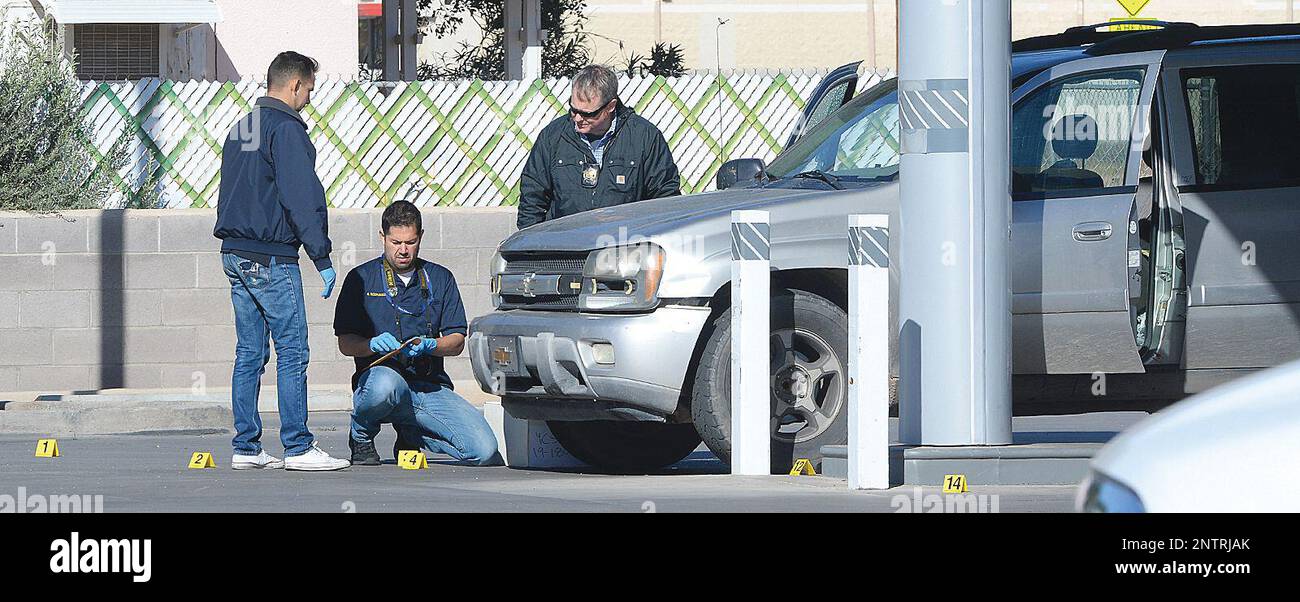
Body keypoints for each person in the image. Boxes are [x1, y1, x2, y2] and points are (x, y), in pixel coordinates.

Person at [213, 51, 349, 471]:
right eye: (309, 88)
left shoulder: (244, 127)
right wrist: (321, 256)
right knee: (293, 350)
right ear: (294, 85)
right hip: (270, 258)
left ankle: (247, 448)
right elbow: (300, 195)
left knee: (250, 353)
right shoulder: (287, 130)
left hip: (235, 254)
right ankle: (298, 447)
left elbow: (244, 191)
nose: (309, 97)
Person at [334, 201, 499, 467]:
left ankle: (413, 432)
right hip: (383, 380)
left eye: (410, 242)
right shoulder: (360, 278)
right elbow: (345, 343)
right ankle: (361, 434)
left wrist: (430, 345)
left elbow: (456, 341)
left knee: (484, 451)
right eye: (395, 242)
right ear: (382, 237)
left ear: (420, 237)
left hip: (429, 386)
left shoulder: (441, 277)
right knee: (385, 386)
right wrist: (372, 344)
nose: (402, 250)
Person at [517, 64, 681, 229]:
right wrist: (528, 248)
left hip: (624, 245)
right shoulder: (552, 137)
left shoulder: (644, 137)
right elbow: (532, 197)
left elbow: (665, 199)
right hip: (565, 245)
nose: (578, 118)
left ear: (610, 106)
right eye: (573, 110)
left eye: (588, 114)